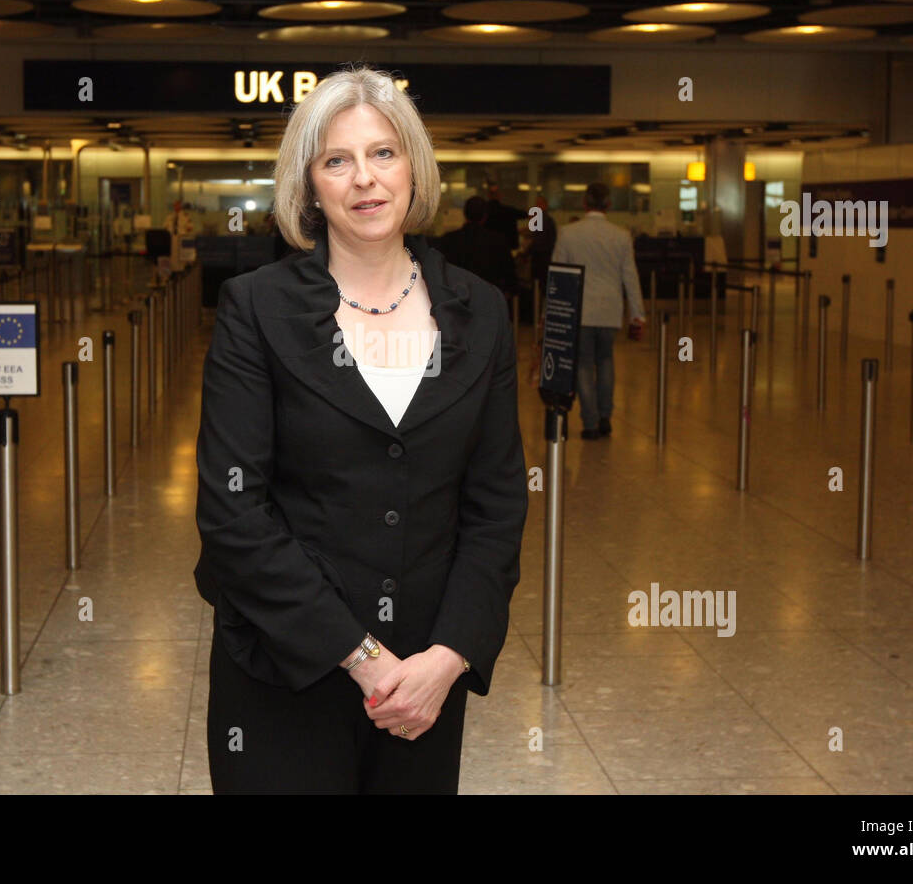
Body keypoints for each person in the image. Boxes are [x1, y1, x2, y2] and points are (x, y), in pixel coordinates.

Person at [195, 65, 528, 794]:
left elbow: (497, 504)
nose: (365, 180)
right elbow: (232, 511)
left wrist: (449, 656)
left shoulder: (481, 311)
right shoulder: (256, 309)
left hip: (423, 685)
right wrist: (363, 657)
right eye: (336, 160)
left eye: (383, 153)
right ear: (309, 184)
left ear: (415, 165)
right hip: (285, 670)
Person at [551, 183, 645, 439]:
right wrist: (638, 314)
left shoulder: (568, 233)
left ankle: (589, 422)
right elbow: (630, 277)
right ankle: (606, 416)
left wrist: (551, 314)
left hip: (580, 311)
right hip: (610, 311)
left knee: (582, 365)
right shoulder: (621, 235)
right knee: (606, 361)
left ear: (584, 203)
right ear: (609, 205)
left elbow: (559, 276)